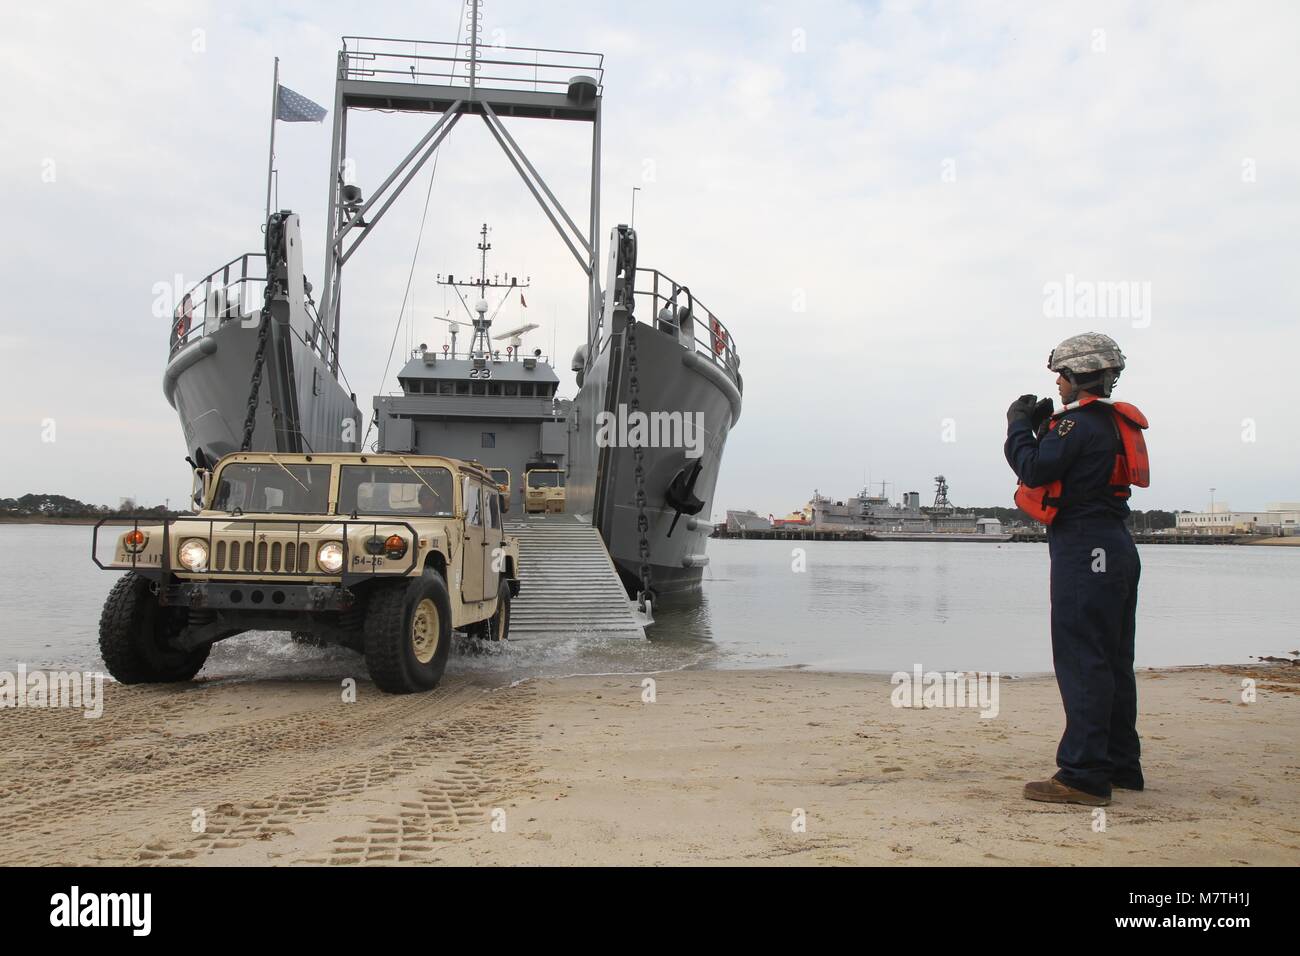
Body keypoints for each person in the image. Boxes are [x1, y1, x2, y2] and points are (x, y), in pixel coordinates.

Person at [1004, 332, 1150, 807]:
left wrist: (1018, 426)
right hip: (1116, 545)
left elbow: (1034, 472)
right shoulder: (1107, 424)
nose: (1057, 386)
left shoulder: (1075, 426)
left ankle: (1084, 776)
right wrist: (1048, 428)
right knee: (1111, 658)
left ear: (1073, 375)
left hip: (1085, 547)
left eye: (1059, 377)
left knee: (1082, 656)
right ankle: (1120, 764)